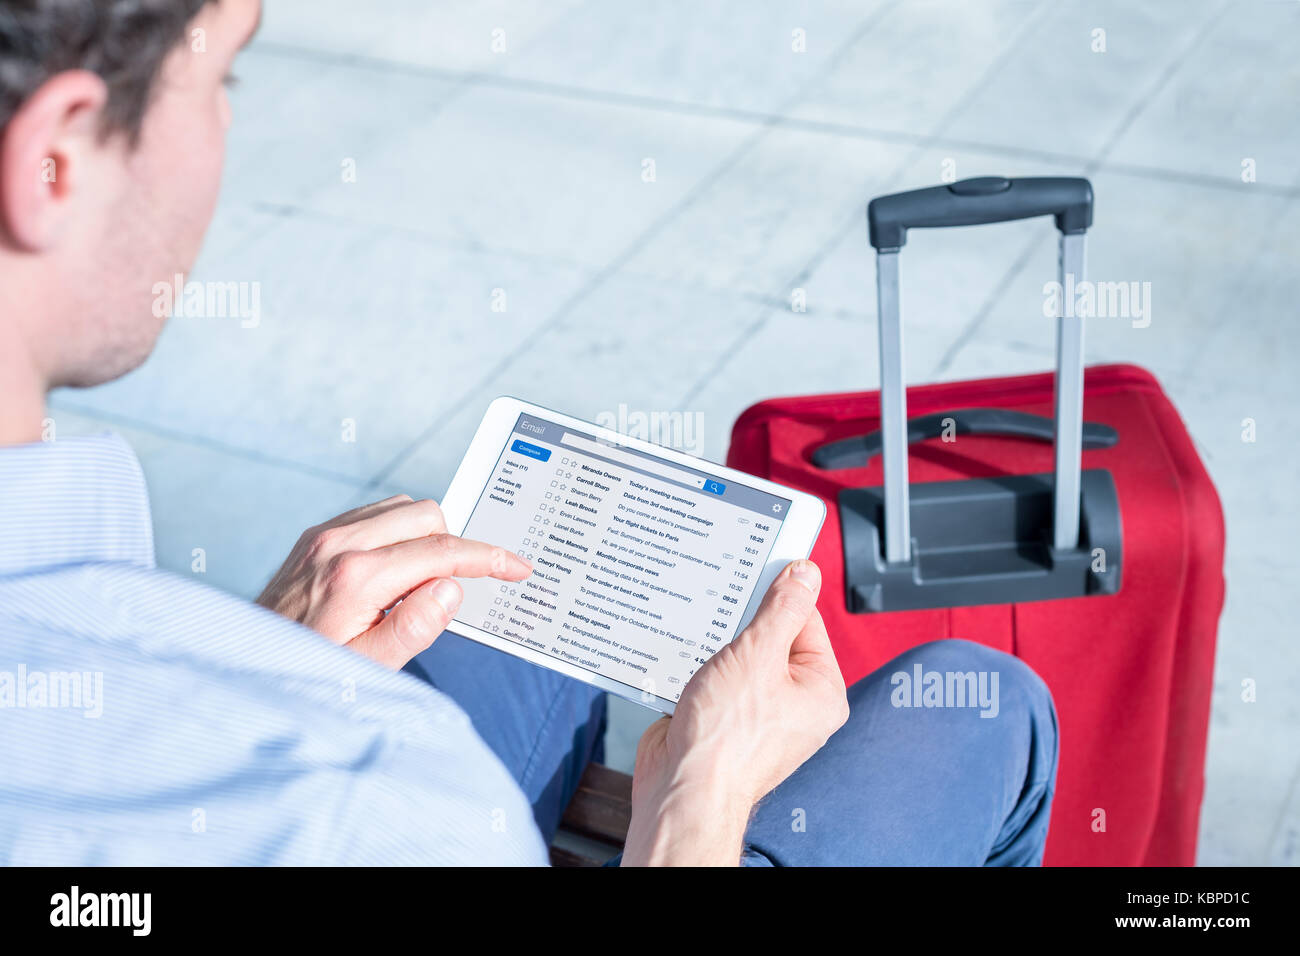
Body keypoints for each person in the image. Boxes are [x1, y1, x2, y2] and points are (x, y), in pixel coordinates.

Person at [0, 0, 1058, 866]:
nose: (225, 131)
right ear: (54, 160)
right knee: (984, 706)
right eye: (221, 79)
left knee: (492, 584)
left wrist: (253, 664)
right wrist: (696, 799)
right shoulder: (381, 804)